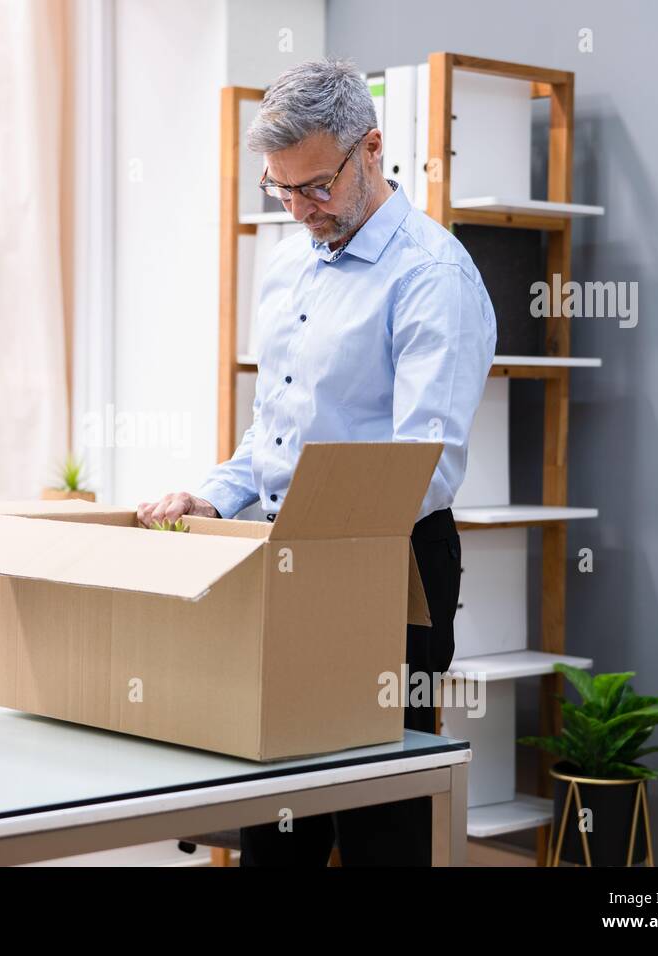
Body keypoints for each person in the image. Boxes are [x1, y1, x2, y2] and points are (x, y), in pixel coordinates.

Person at [136, 58, 496, 866]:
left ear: (371, 150)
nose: (301, 209)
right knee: (278, 822)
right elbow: (272, 435)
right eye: (281, 189)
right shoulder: (294, 262)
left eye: (316, 188)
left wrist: (299, 537)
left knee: (380, 829)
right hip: (284, 566)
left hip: (387, 568)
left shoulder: (433, 278)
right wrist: (213, 499)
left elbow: (422, 467)